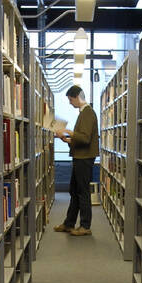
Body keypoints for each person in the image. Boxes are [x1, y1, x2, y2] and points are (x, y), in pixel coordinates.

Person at [54, 84, 98, 236]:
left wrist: (68, 131)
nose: (70, 103)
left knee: (82, 192)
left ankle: (85, 226)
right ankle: (69, 223)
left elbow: (85, 138)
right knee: (74, 190)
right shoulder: (83, 113)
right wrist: (66, 139)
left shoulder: (88, 113)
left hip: (84, 159)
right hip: (80, 157)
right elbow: (81, 139)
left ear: (77, 97)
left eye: (70, 99)